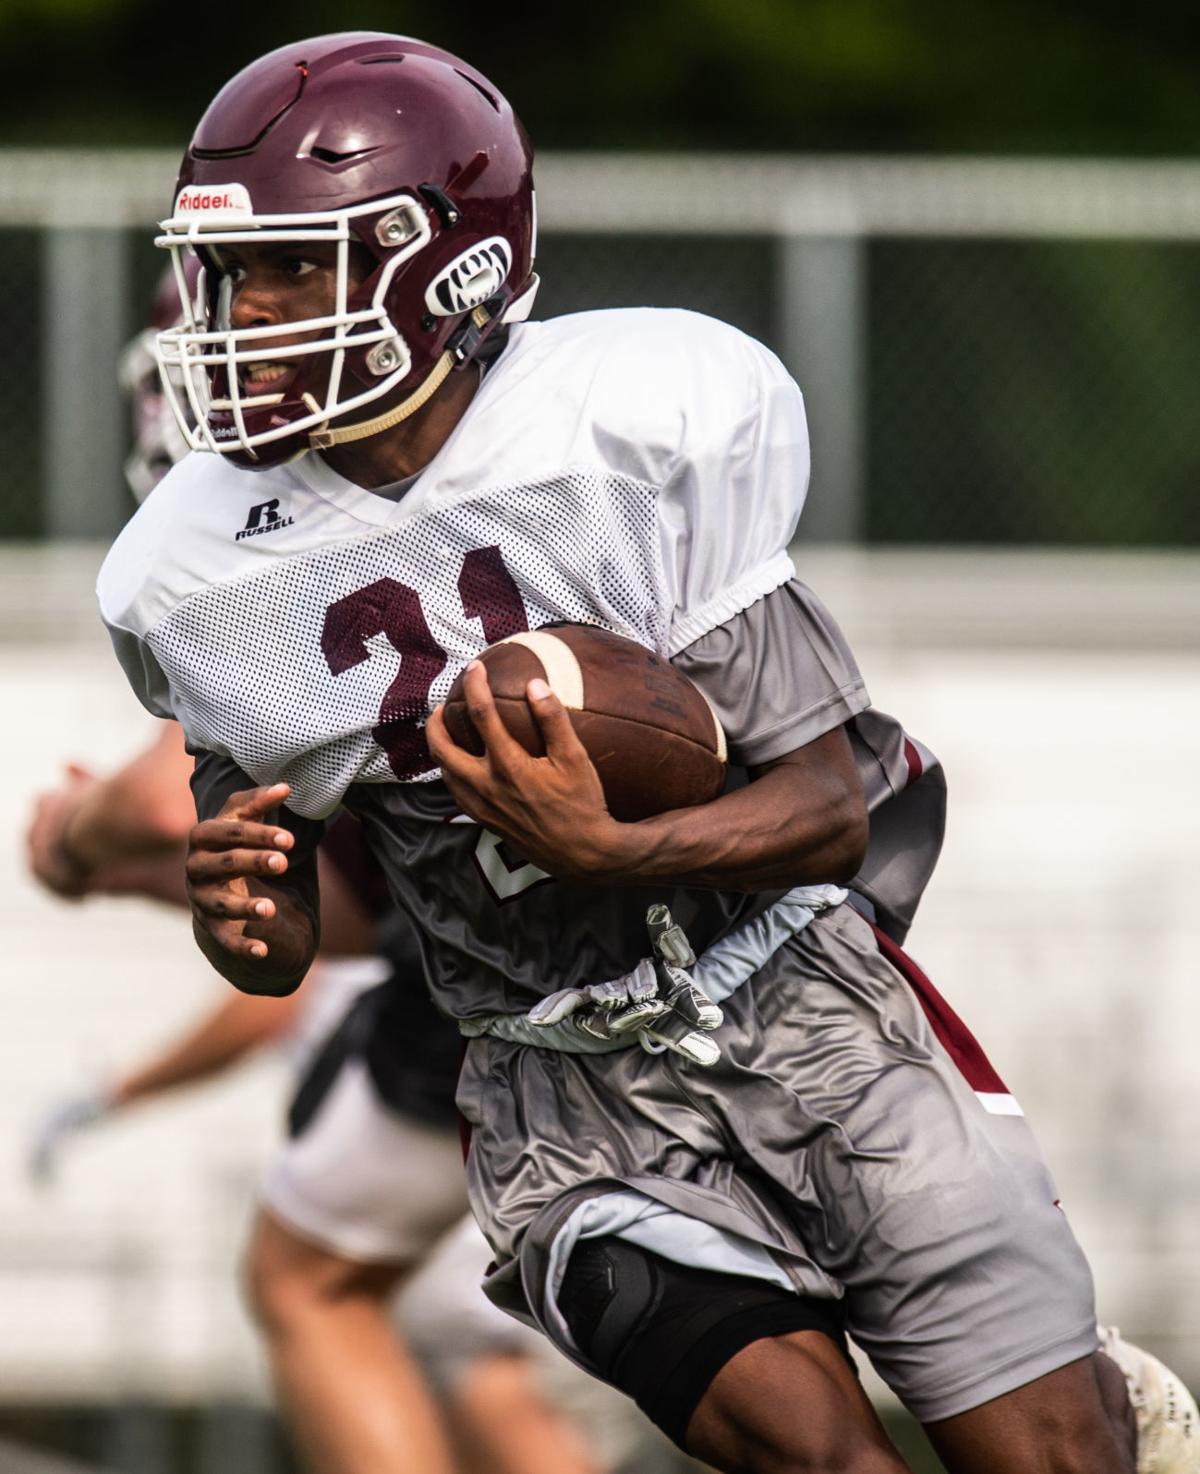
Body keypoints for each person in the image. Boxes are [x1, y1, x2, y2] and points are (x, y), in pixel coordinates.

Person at [95, 31, 1197, 1474]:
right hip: (560, 1099)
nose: (249, 311)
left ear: (454, 268)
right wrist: (248, 915)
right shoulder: (196, 572)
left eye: (300, 265)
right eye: (237, 271)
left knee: (1056, 1461)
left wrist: (618, 850)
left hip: (809, 1012)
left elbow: (834, 802)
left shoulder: (625, 433)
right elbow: (277, 936)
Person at [28, 280, 654, 1474]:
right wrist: (136, 884)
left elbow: (172, 790)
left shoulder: (299, 543)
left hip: (510, 993)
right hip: (618, 955)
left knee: (305, 1279)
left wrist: (71, 837)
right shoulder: (539, 464)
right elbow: (356, 904)